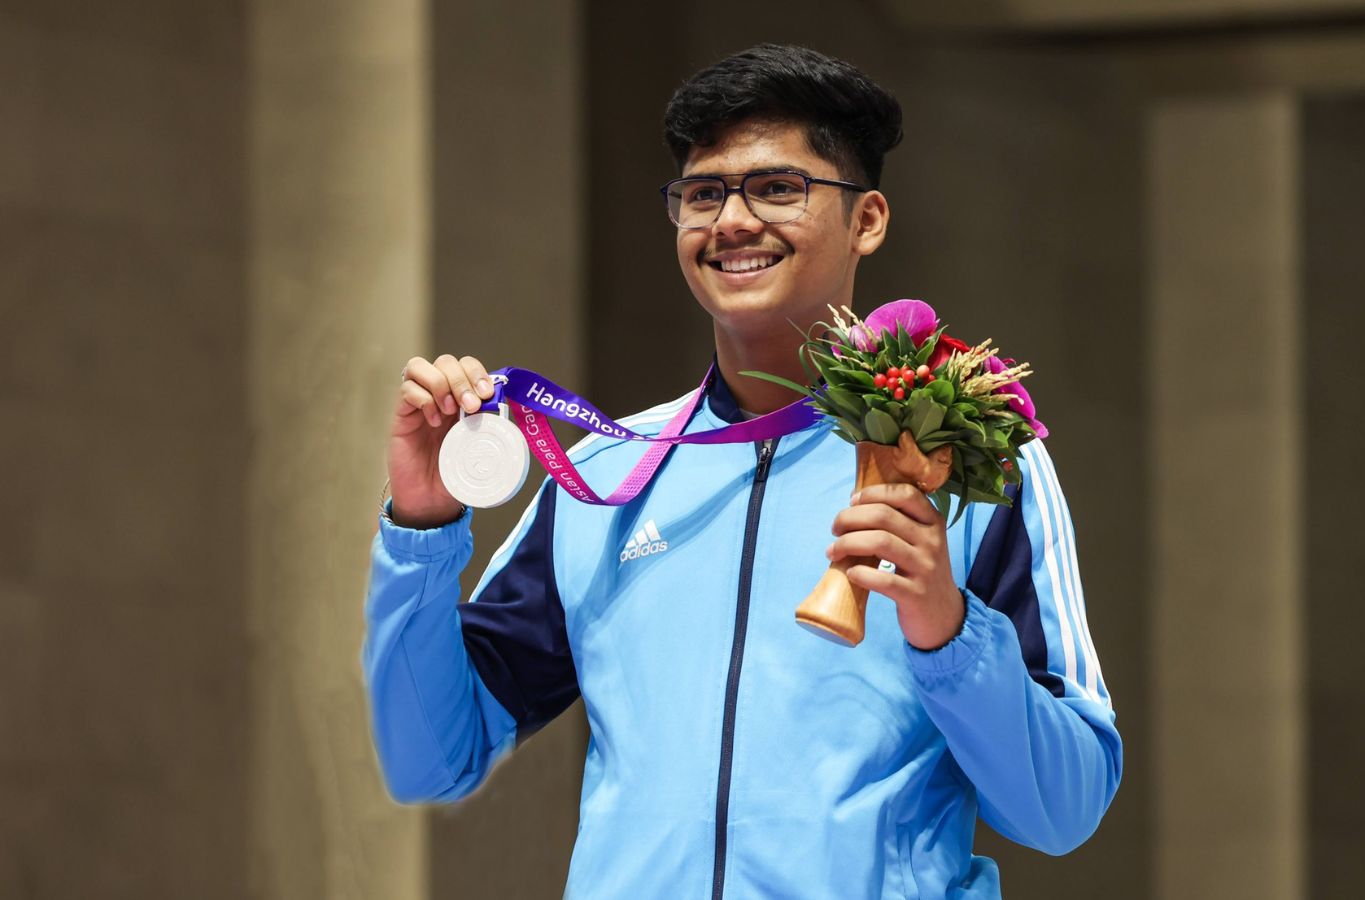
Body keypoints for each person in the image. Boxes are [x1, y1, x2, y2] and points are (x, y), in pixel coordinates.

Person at [364, 43, 1120, 899]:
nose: (731, 221)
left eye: (777, 188)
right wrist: (421, 528)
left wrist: (944, 625)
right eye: (702, 193)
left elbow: (1065, 810)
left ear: (867, 219)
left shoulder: (971, 455)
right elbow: (435, 755)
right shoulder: (607, 474)